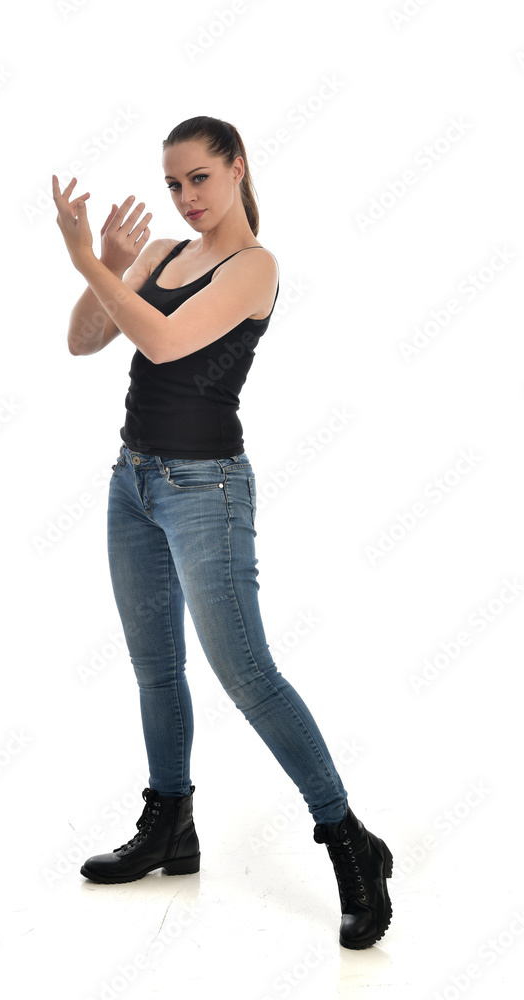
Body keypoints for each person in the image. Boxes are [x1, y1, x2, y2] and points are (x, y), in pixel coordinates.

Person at [52, 115, 393, 950]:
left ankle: (350, 841)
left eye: (199, 177)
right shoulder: (164, 255)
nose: (185, 197)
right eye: (173, 184)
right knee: (154, 668)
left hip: (206, 489)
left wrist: (88, 259)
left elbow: (165, 343)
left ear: (237, 168)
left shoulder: (255, 267)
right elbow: (84, 339)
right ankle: (171, 823)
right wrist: (115, 264)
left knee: (246, 672)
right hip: (132, 482)